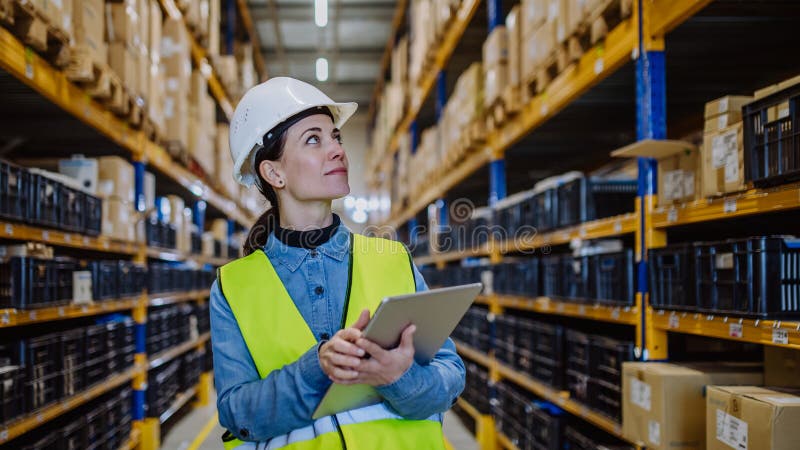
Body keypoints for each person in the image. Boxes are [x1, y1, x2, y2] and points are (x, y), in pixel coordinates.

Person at [210, 77, 466, 450]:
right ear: (273, 173)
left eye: (336, 137)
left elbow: (450, 378)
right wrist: (317, 370)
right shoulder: (233, 288)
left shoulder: (392, 260)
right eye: (314, 140)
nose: (337, 151)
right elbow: (237, 412)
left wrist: (399, 378)